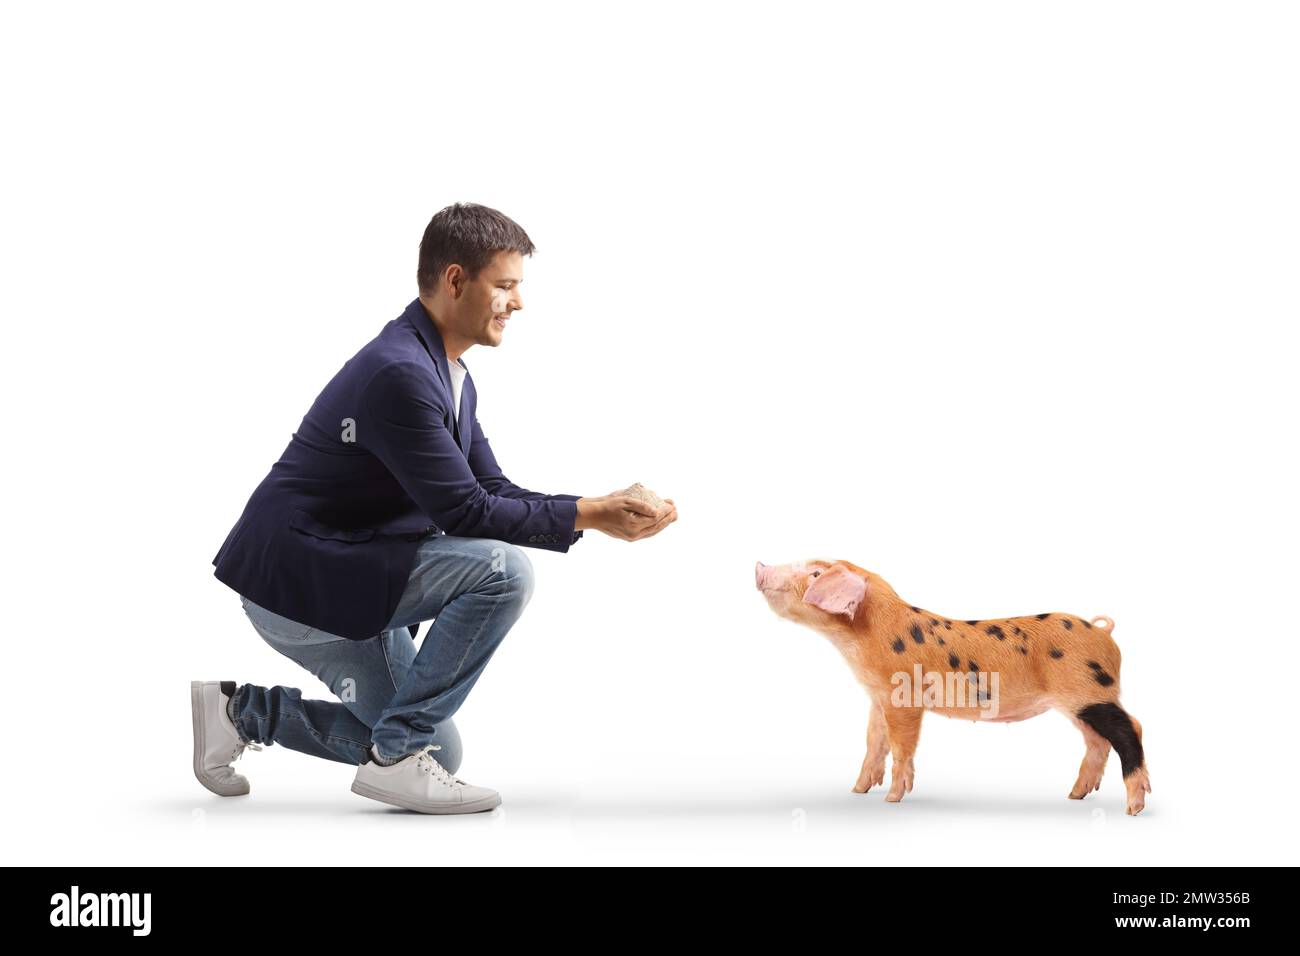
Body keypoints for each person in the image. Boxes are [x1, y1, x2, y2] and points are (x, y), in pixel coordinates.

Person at [193, 202, 677, 814]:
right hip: (297, 581)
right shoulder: (399, 373)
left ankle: (239, 714)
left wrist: (596, 508)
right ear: (455, 280)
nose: (518, 303)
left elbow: (490, 489)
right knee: (502, 572)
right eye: (505, 286)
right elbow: (467, 513)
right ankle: (394, 761)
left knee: (438, 751)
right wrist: (588, 513)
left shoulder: (449, 374)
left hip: (349, 571)